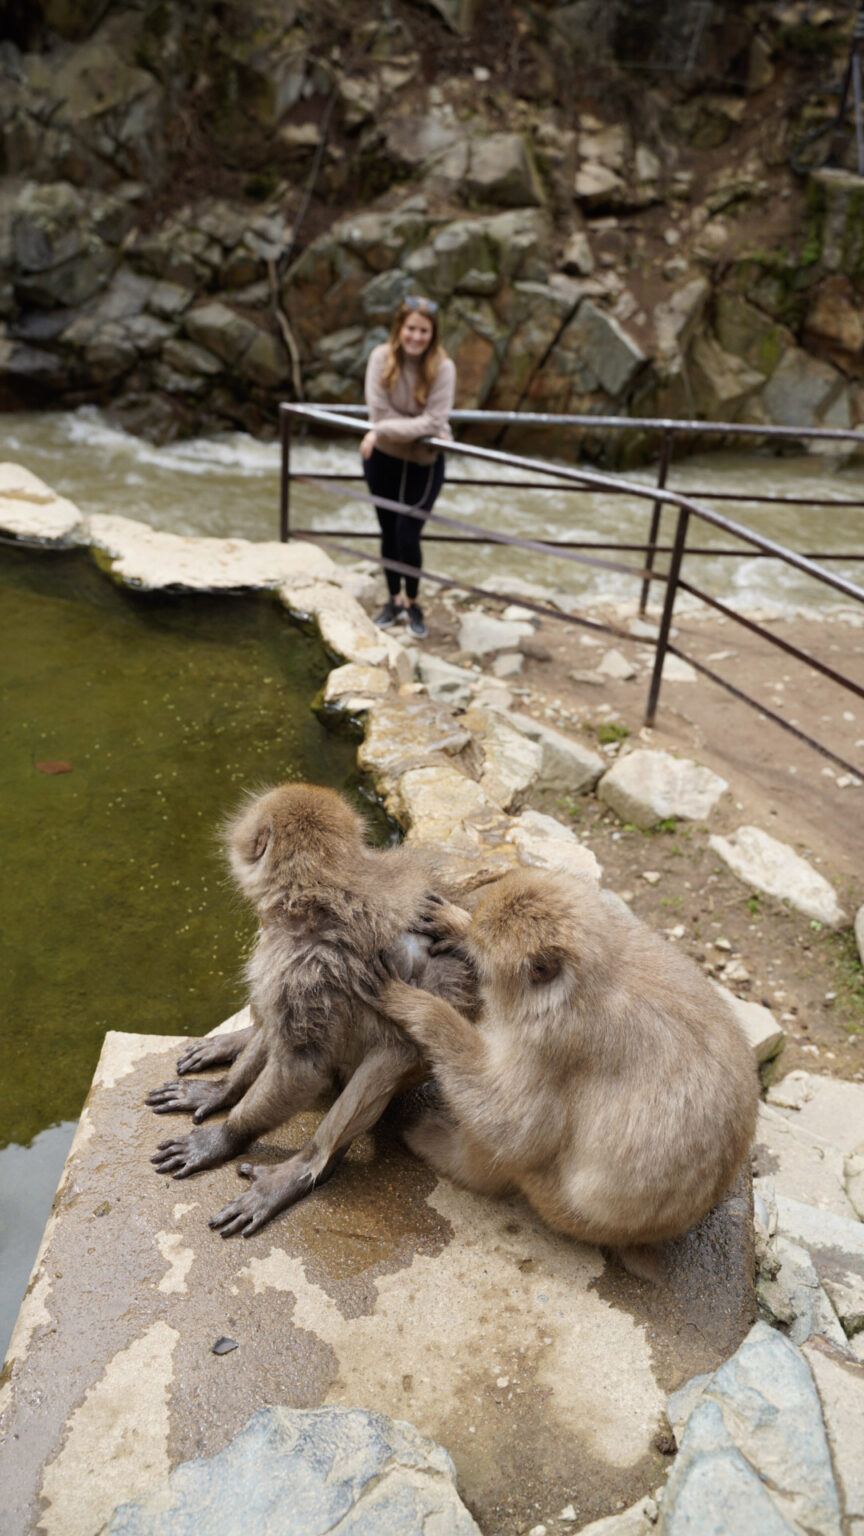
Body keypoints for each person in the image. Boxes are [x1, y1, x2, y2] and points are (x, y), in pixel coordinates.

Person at [360, 295, 456, 640]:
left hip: (424, 463)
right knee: (387, 531)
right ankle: (393, 600)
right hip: (382, 458)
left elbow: (434, 420)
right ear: (400, 329)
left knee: (407, 534)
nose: (416, 336)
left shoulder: (443, 368)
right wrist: (410, 427)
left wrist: (382, 430)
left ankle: (413, 603)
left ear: (433, 334)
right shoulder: (380, 359)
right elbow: (380, 412)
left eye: (424, 331)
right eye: (411, 328)